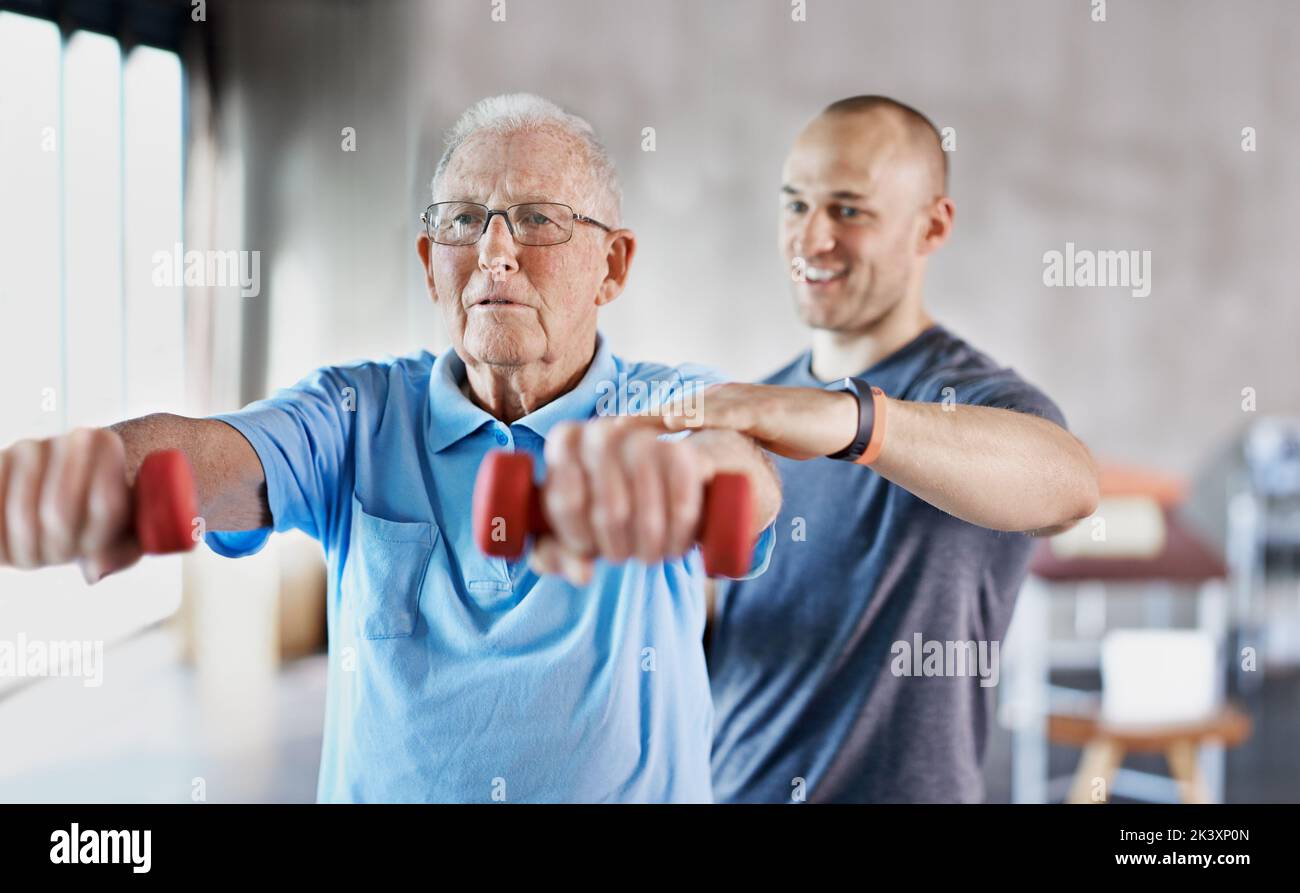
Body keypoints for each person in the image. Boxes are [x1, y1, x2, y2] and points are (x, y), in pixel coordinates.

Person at [0, 93, 780, 803]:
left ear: (612, 266)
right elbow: (215, 455)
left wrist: (684, 479)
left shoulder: (665, 403)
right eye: (463, 221)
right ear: (429, 265)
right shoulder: (354, 411)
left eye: (538, 218)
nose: (493, 251)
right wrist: (105, 469)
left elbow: (740, 466)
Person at [669, 95, 1100, 803]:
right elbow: (741, 641)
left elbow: (1070, 483)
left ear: (932, 226)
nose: (811, 239)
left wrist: (854, 422)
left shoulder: (978, 399)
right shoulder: (760, 408)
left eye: (848, 209)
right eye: (795, 204)